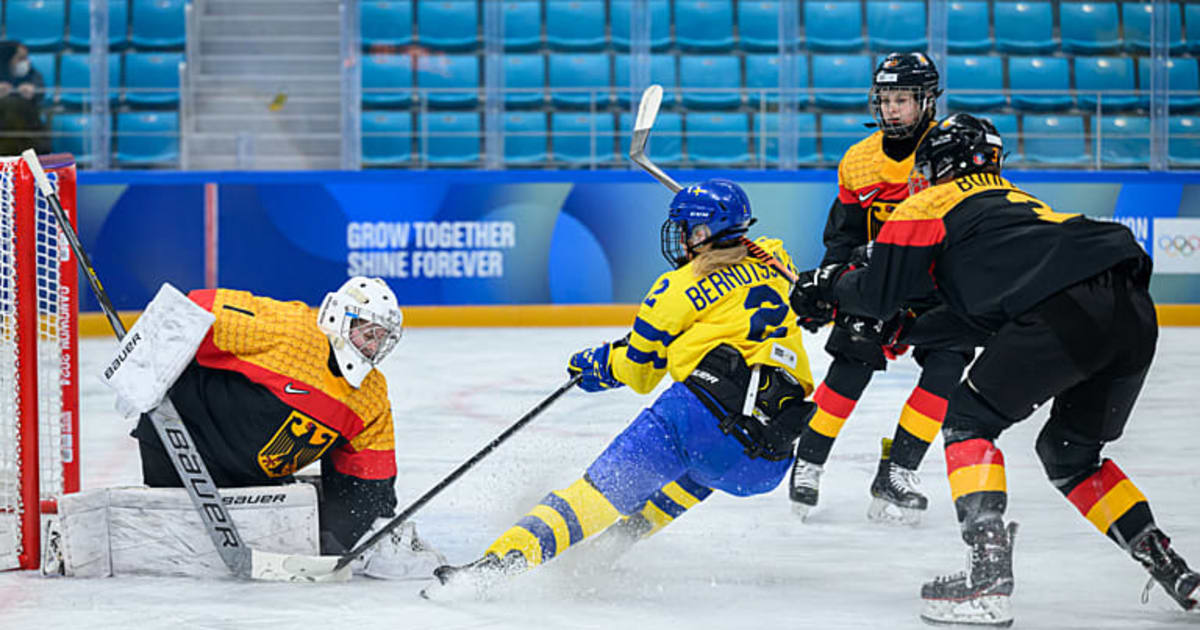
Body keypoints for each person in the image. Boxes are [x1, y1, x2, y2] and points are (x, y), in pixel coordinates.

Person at [794, 113, 1200, 626]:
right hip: (1131, 311)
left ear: (940, 163)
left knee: (968, 422)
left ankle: (987, 575)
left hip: (1063, 308)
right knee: (1071, 455)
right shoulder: (1019, 206)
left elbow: (876, 294)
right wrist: (909, 330)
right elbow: (981, 315)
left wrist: (824, 288)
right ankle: (1175, 571)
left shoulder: (928, 203)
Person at [424, 180, 816, 594]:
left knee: (597, 493)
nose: (679, 235)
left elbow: (640, 372)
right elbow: (749, 276)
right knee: (700, 465)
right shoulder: (775, 258)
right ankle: (613, 546)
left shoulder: (674, 290)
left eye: (686, 227)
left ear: (700, 234)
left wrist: (600, 364)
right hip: (768, 457)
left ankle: (492, 568)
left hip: (698, 419)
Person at [131, 276, 444, 578]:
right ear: (339, 316)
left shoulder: (370, 397)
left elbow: (368, 478)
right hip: (177, 447)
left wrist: (350, 538)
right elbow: (190, 310)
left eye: (381, 338)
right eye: (368, 332)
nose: (372, 346)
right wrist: (136, 369)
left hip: (251, 483)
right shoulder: (287, 331)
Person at [787, 51, 975, 525]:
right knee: (851, 363)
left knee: (947, 365)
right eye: (886, 99)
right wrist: (830, 285)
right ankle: (808, 460)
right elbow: (846, 234)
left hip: (937, 285)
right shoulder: (857, 161)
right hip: (879, 281)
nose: (892, 109)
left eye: (903, 100)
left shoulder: (950, 149)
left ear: (927, 101)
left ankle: (899, 469)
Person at [0, 41, 49, 155]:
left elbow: (41, 94)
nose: (26, 62)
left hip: (28, 139)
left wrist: (34, 91)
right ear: (6, 59)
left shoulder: (33, 75)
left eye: (26, 58)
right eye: (21, 58)